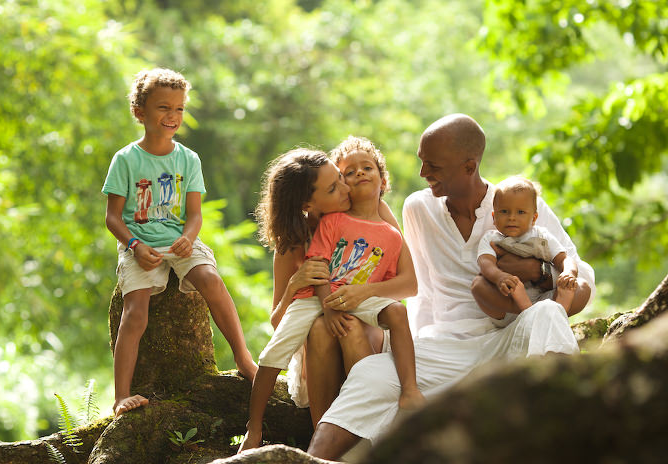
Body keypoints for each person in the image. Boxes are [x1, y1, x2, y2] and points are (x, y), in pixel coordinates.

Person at [308, 113, 594, 459]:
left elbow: (581, 279)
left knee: (548, 313)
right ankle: (310, 459)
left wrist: (539, 273)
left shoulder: (518, 202)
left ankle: (571, 441)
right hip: (441, 348)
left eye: (434, 166)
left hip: (508, 338)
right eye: (422, 161)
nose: (423, 172)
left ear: (469, 166)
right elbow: (419, 292)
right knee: (371, 375)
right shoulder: (418, 208)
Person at [238, 138, 422, 452]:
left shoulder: (374, 210)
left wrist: (362, 292)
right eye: (336, 185)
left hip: (365, 327)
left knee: (345, 324)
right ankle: (322, 441)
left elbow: (409, 283)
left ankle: (368, 429)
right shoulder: (294, 240)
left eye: (340, 179)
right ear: (308, 205)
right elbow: (278, 321)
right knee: (322, 326)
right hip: (317, 337)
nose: (348, 188)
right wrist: (295, 285)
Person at [102, 67, 257, 417]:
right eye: (163, 108)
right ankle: (121, 395)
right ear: (140, 112)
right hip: (139, 244)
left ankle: (245, 359)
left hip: (179, 241)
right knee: (136, 310)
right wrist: (135, 247)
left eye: (179, 109)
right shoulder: (126, 160)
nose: (173, 116)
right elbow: (112, 218)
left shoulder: (188, 159)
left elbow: (195, 215)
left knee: (212, 281)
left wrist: (188, 239)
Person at [472, 175, 582, 325]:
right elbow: (486, 263)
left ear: (534, 218)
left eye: (520, 212)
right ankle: (529, 313)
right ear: (494, 216)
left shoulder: (542, 235)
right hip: (508, 305)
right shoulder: (491, 238)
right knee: (478, 285)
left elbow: (564, 259)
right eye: (504, 211)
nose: (512, 217)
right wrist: (499, 277)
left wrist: (569, 272)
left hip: (543, 299)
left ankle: (558, 308)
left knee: (582, 287)